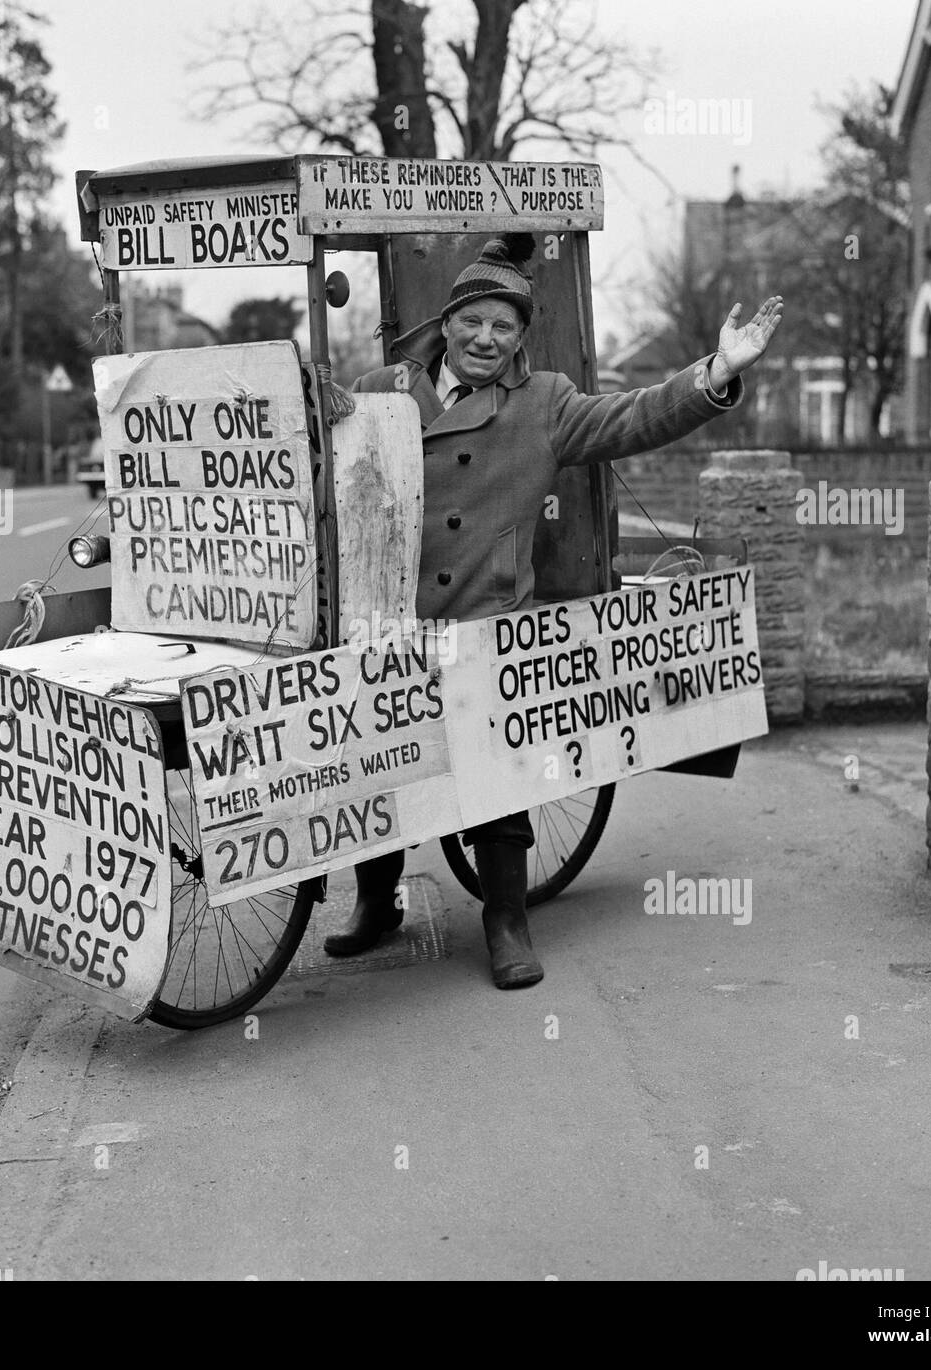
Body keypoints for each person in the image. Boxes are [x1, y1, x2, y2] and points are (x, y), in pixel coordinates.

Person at [323, 233, 783, 989]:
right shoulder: (382, 387)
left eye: (504, 327)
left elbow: (636, 417)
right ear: (448, 323)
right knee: (381, 764)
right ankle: (377, 903)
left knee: (495, 778)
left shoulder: (544, 404)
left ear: (518, 341)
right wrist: (316, 407)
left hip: (484, 622)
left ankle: (505, 919)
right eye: (473, 322)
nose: (485, 339)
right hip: (392, 620)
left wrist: (717, 373)